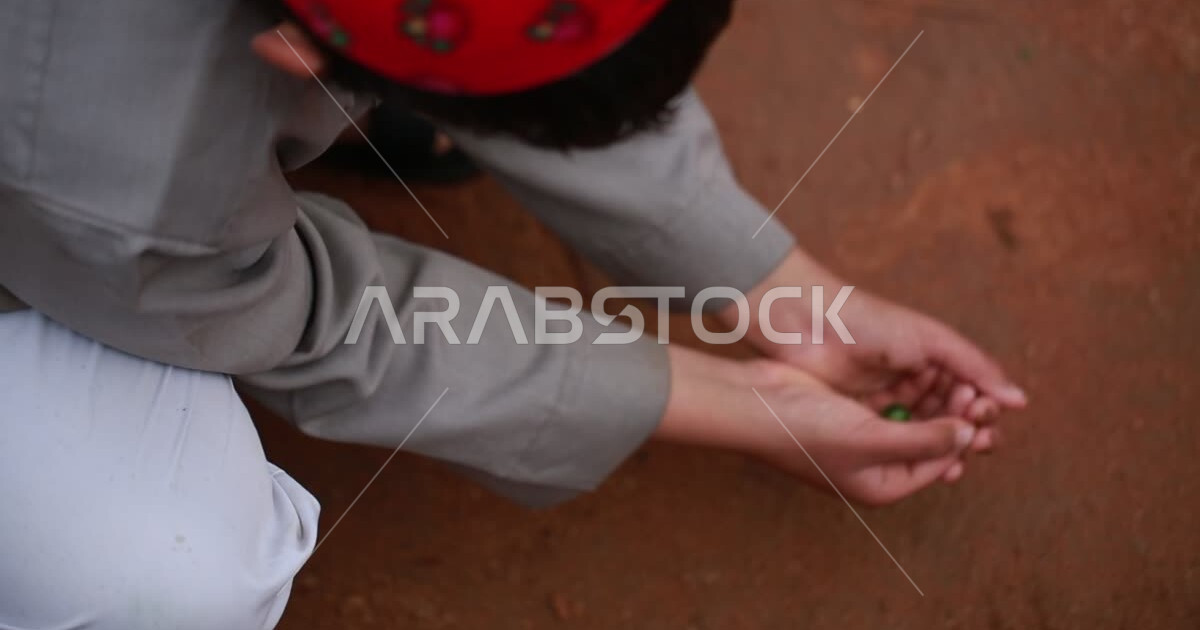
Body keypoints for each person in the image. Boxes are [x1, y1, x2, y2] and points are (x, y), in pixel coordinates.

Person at [0, 0, 1026, 628]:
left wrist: (787, 296)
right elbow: (293, 314)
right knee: (179, 570)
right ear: (296, 50)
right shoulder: (108, 154)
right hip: (57, 216)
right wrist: (732, 396)